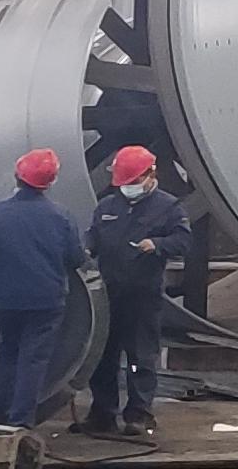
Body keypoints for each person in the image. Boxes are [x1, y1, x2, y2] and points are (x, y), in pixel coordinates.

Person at [0, 149, 89, 431]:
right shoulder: (61, 216)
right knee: (32, 360)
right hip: (46, 301)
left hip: (5, 299)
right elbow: (76, 259)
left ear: (17, 176)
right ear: (51, 182)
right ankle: (20, 420)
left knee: (7, 351)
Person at [76, 145, 184, 441]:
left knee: (140, 356)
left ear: (151, 175)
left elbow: (183, 240)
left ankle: (138, 414)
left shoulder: (169, 207)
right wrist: (86, 250)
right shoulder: (108, 207)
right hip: (108, 294)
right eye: (125, 182)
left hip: (142, 295)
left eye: (134, 181)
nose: (129, 187)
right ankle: (102, 414)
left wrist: (158, 245)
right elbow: (94, 236)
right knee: (103, 357)